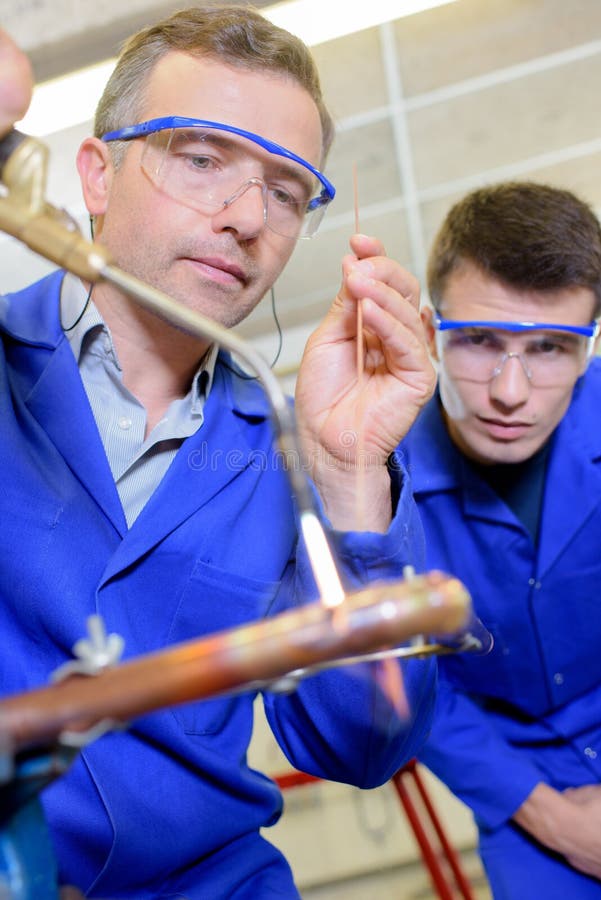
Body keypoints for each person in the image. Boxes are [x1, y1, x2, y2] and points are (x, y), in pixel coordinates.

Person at [0, 7, 438, 899]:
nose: (246, 217)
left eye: (284, 192)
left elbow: (363, 745)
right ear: (95, 174)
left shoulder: (293, 442)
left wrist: (348, 478)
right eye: (202, 159)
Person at [399, 180, 601, 899]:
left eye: (549, 348)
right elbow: (415, 686)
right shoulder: (374, 486)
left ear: (587, 351)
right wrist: (554, 822)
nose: (509, 391)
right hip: (517, 781)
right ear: (428, 332)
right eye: (480, 341)